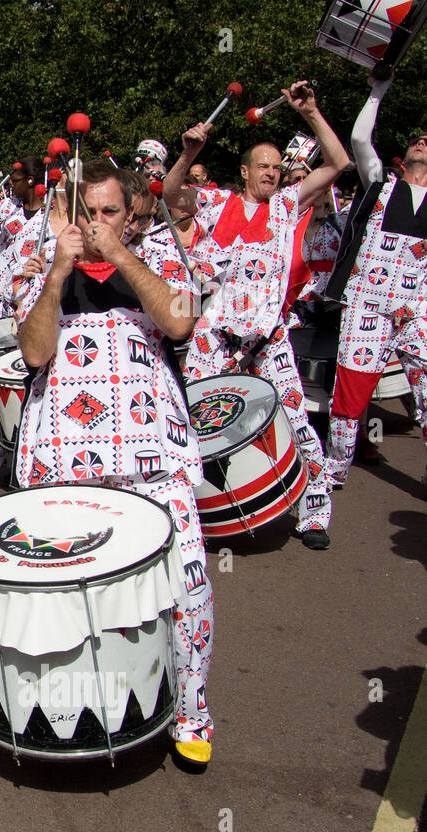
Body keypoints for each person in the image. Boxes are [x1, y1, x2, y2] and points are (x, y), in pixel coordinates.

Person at [15, 160, 214, 767]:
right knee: (69, 593)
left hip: (153, 456)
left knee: (188, 582)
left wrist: (122, 257)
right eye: (86, 213)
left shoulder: (163, 258)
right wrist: (57, 272)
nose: (96, 224)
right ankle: (76, 708)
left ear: (130, 215)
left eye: (108, 213)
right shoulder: (44, 263)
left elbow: (180, 319)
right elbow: (33, 350)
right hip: (64, 461)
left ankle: (193, 712)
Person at [165, 81, 350, 550]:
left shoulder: (288, 205)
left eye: (276, 167)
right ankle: (188, 513)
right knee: (190, 417)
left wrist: (310, 112)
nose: (271, 173)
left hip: (268, 338)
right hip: (215, 334)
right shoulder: (217, 201)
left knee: (297, 417)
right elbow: (169, 197)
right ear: (245, 171)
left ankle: (314, 511)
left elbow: (339, 163)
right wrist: (187, 155)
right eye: (262, 166)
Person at [323, 70, 427, 489]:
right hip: (368, 305)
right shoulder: (381, 184)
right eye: (417, 139)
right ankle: (335, 471)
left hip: (418, 309)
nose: (422, 141)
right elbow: (361, 141)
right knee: (350, 398)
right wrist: (378, 89)